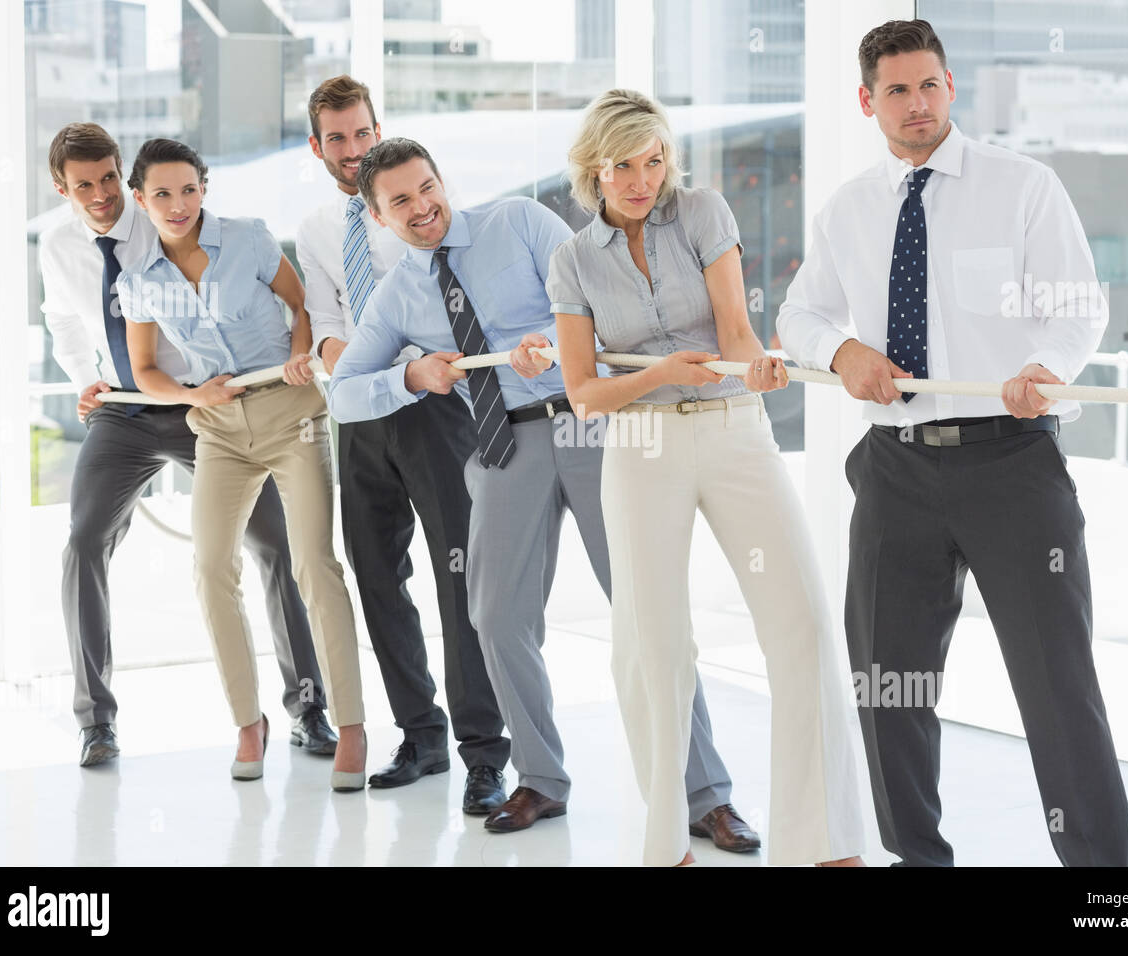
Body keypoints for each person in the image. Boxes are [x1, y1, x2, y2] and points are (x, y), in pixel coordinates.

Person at [776, 19, 1128, 866]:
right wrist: (842, 351)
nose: (917, 103)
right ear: (867, 101)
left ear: (951, 87)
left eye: (930, 84)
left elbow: (1079, 306)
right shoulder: (850, 208)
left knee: (1057, 687)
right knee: (887, 685)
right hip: (896, 468)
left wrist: (1044, 366)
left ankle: (1112, 887)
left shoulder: (1022, 186)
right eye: (897, 90)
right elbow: (798, 313)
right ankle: (918, 857)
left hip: (1011, 463)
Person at [329, 138, 758, 849]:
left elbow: (600, 289)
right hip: (503, 447)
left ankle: (706, 794)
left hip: (590, 422)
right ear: (377, 217)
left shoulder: (520, 223)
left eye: (426, 187)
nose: (421, 206)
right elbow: (342, 396)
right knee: (495, 618)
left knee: (644, 607)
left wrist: (556, 338)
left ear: (443, 180)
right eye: (399, 201)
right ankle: (540, 778)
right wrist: (412, 379)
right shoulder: (395, 296)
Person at [546, 89, 867, 868]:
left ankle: (821, 842)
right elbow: (584, 393)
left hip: (733, 432)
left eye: (654, 161)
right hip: (641, 445)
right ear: (595, 167)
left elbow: (735, 330)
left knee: (803, 623)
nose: (641, 179)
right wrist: (656, 373)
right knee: (651, 646)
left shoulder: (702, 214)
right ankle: (666, 847)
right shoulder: (574, 259)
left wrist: (757, 365)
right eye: (624, 165)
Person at [39, 123, 338, 768]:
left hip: (211, 403)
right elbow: (61, 316)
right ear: (61, 188)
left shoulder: (168, 216)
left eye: (110, 178)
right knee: (85, 540)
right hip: (125, 407)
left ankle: (307, 708)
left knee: (276, 546)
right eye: (84, 185)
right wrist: (82, 378)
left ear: (128, 176)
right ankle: (97, 721)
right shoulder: (59, 245)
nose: (102, 195)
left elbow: (259, 283)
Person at [117, 138, 366, 790]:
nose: (178, 205)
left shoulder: (249, 240)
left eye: (189, 190)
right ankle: (247, 725)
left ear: (204, 189)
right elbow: (144, 370)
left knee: (314, 562)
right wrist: (193, 393)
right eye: (162, 194)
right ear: (140, 199)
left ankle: (354, 727)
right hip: (220, 431)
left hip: (293, 413)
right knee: (209, 568)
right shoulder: (138, 281)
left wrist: (300, 350)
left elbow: (304, 303)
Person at [297, 76, 508, 813]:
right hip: (357, 413)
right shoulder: (317, 231)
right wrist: (362, 369)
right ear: (317, 146)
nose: (353, 151)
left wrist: (405, 369)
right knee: (376, 576)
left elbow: (445, 310)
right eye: (338, 139)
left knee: (460, 577)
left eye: (362, 133)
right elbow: (325, 328)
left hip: (433, 407)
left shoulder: (416, 211)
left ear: (376, 128)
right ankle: (421, 734)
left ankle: (485, 752)